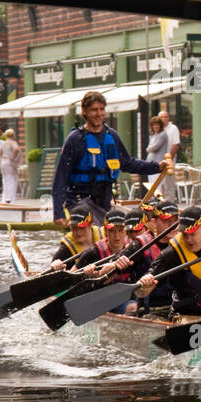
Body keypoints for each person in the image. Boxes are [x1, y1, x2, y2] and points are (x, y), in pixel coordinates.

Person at [52, 91, 168, 224]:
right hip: (79, 202)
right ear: (84, 111)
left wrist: (157, 166)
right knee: (96, 234)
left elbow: (127, 163)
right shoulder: (75, 139)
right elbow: (61, 177)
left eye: (102, 109)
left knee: (116, 232)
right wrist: (58, 214)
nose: (99, 114)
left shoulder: (111, 136)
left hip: (104, 202)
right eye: (94, 110)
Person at [136, 206, 201, 318]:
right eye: (185, 234)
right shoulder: (171, 254)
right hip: (186, 316)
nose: (188, 239)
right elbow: (141, 293)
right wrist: (144, 285)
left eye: (192, 234)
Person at [49, 203, 103, 270]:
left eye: (82, 228)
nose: (78, 232)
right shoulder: (65, 249)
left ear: (91, 224)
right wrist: (55, 266)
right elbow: (50, 274)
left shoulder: (105, 237)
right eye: (74, 228)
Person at [143, 115, 176, 202]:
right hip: (151, 164)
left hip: (158, 163)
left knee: (158, 184)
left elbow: (154, 147)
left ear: (160, 125)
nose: (155, 126)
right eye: (154, 125)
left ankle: (159, 201)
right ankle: (154, 200)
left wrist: (148, 148)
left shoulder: (163, 134)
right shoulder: (153, 135)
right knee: (152, 183)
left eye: (157, 125)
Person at [0, 129, 21, 204]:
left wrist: (1, 159)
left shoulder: (3, 143)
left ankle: (5, 198)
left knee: (5, 180)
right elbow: (16, 149)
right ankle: (11, 199)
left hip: (3, 162)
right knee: (12, 179)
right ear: (13, 135)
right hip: (9, 162)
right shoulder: (12, 142)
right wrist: (13, 157)